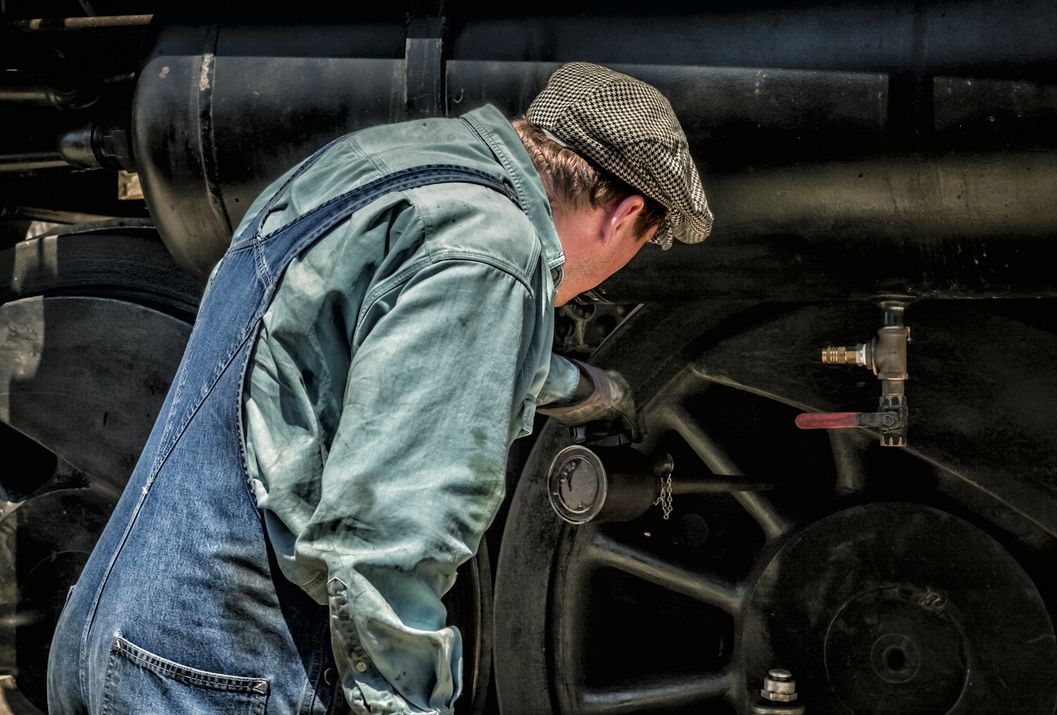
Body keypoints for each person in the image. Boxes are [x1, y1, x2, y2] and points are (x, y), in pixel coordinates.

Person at [47, 62, 712, 714]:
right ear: (623, 215)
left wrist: (583, 386)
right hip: (221, 671)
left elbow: (351, 349)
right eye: (647, 241)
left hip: (114, 633)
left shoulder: (380, 166)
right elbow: (389, 542)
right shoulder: (490, 252)